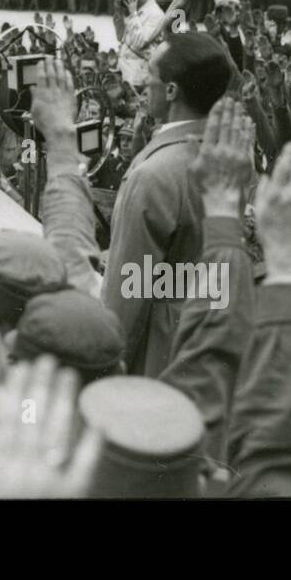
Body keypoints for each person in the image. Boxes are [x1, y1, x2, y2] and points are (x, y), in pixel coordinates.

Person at [102, 33, 235, 376]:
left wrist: (103, 375)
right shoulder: (228, 152)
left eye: (150, 74)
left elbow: (127, 299)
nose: (144, 82)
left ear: (172, 91)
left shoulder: (155, 175)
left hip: (158, 357)